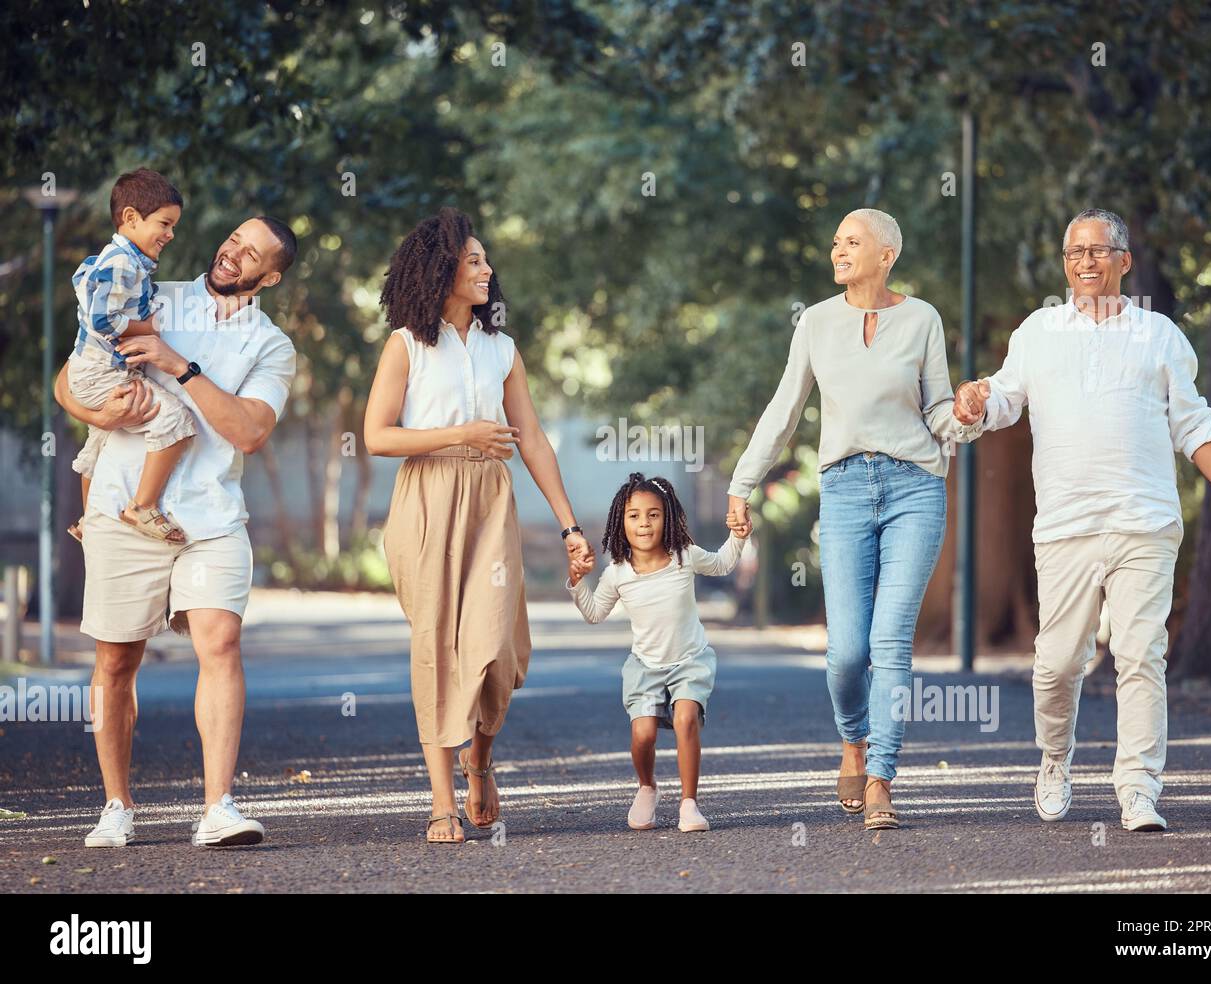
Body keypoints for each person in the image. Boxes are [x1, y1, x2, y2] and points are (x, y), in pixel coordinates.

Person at [953, 207, 1211, 832]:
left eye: (1099, 250)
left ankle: (1139, 788)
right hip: (1065, 525)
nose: (1086, 261)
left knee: (1141, 654)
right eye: (1075, 252)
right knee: (1058, 662)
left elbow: (1193, 423)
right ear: (1065, 264)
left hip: (1145, 521)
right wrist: (974, 403)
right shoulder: (1038, 332)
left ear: (1125, 261)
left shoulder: (1159, 336)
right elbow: (1005, 399)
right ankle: (1054, 759)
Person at [726, 208, 979, 829]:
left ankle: (882, 779)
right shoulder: (815, 322)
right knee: (845, 653)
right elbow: (785, 409)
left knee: (890, 641)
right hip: (842, 488)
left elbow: (941, 412)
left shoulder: (922, 319)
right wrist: (743, 482)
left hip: (915, 487)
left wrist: (968, 415)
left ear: (887, 253)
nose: (839, 250)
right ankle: (853, 738)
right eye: (836, 242)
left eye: (853, 241)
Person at [54, 215, 299, 848]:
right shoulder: (154, 296)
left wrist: (177, 365)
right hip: (122, 505)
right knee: (115, 659)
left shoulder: (271, 346)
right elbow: (68, 378)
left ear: (268, 277)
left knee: (219, 642)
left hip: (210, 516)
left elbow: (248, 429)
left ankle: (218, 806)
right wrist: (95, 409)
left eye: (252, 255)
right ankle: (116, 806)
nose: (232, 254)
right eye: (233, 241)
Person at [363, 207, 594, 845]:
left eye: (487, 259)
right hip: (428, 498)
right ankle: (441, 804)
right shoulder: (406, 344)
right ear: (442, 271)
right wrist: (461, 432)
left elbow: (534, 441)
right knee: (436, 648)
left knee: (500, 651)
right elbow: (377, 435)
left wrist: (571, 526)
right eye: (474, 260)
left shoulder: (502, 348)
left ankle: (480, 760)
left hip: (492, 501)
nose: (488, 269)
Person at [567, 472, 748, 832]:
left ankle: (689, 804)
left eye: (653, 514)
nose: (644, 523)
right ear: (621, 521)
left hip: (690, 661)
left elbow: (722, 563)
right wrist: (576, 580)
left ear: (668, 518)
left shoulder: (684, 556)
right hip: (645, 667)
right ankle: (647, 787)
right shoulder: (618, 573)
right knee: (644, 734)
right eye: (634, 515)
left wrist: (738, 536)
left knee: (685, 719)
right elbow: (593, 614)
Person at [67, 168, 195, 544]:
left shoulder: (123, 260)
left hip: (93, 372)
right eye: (165, 224)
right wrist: (149, 328)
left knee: (100, 439)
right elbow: (102, 318)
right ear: (130, 218)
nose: (171, 234)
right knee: (175, 420)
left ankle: (88, 521)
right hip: (101, 373)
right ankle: (142, 505)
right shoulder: (121, 262)